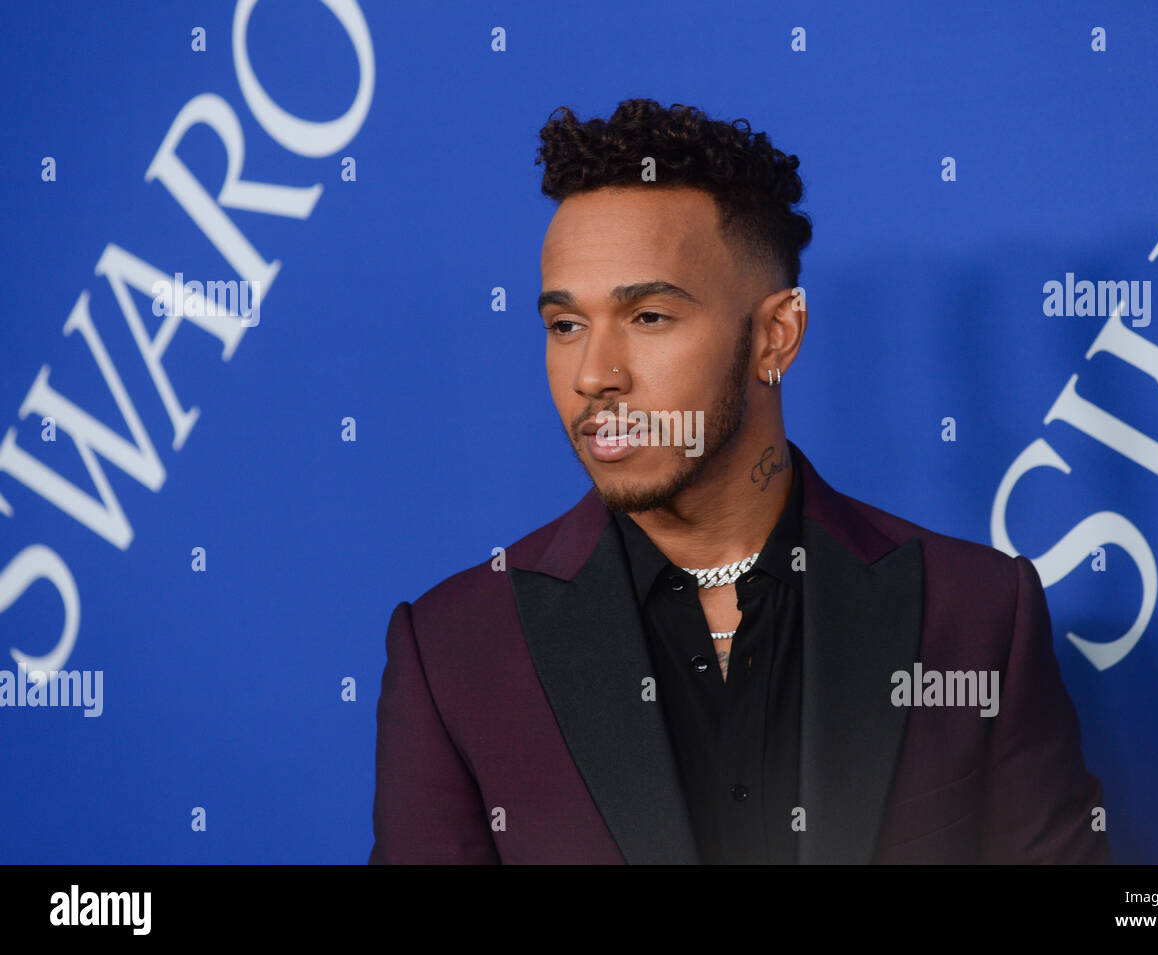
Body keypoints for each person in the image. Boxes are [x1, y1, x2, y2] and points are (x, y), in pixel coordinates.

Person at [369, 98, 1109, 864]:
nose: (594, 374)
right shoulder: (456, 651)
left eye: (649, 316)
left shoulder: (979, 614)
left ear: (775, 336)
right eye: (566, 325)